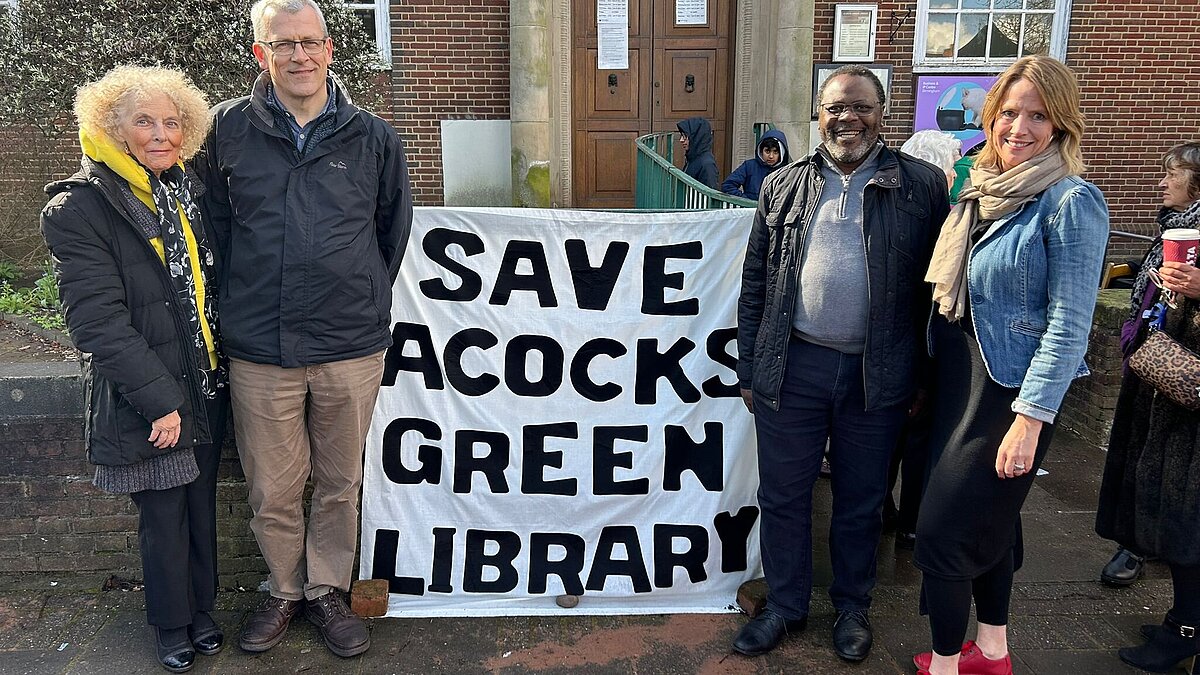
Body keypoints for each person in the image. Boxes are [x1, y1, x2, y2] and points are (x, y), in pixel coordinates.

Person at [196, 0, 412, 659]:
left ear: (329, 49)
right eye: (283, 44)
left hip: (350, 344)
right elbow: (213, 228)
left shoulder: (373, 136)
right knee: (272, 487)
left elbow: (391, 232)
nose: (299, 55)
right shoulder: (225, 129)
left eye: (309, 42)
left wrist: (360, 292)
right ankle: (284, 589)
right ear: (260, 53)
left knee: (341, 482)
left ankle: (326, 590)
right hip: (261, 346)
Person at [734, 64, 950, 661]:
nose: (847, 117)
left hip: (876, 373)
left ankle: (853, 606)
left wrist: (923, 377)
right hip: (793, 366)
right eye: (835, 107)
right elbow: (756, 283)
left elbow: (935, 294)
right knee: (783, 496)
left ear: (882, 115)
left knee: (861, 499)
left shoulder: (921, 187)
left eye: (861, 106)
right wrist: (750, 369)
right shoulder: (782, 186)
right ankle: (785, 605)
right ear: (817, 114)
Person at [913, 55, 1110, 675]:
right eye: (1008, 112)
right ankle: (992, 651)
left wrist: (1030, 419)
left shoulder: (1070, 200)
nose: (1019, 127)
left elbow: (1070, 323)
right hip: (958, 381)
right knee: (993, 524)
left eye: (1038, 116)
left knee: (942, 534)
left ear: (1062, 125)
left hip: (1007, 394)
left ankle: (946, 666)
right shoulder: (982, 190)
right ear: (990, 116)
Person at [41, 65, 227, 673]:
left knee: (199, 504)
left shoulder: (185, 190)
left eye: (172, 122)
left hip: (204, 379)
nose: (161, 134)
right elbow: (96, 321)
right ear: (112, 126)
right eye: (144, 121)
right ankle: (172, 624)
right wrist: (159, 399)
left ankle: (202, 610)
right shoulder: (80, 207)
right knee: (163, 515)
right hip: (150, 392)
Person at [1096, 140, 1200, 673]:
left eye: (1172, 173)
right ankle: (1184, 617)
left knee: (1187, 517)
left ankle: (1187, 629)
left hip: (1189, 396)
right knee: (1168, 508)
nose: (1161, 182)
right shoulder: (1177, 226)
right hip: (1165, 390)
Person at [883, 129, 962, 548]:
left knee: (891, 437)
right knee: (917, 434)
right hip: (921, 341)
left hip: (895, 343)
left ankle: (885, 510)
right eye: (952, 169)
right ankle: (911, 520)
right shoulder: (941, 217)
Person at [722, 130, 790, 201]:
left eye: (775, 152)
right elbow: (728, 185)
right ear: (761, 151)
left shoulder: (787, 171)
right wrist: (746, 201)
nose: (771, 156)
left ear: (781, 153)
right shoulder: (749, 166)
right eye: (767, 151)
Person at [677, 116, 720, 189]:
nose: (681, 140)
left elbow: (709, 192)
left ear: (696, 137)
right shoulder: (693, 158)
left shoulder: (707, 164)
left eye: (685, 136)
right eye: (682, 135)